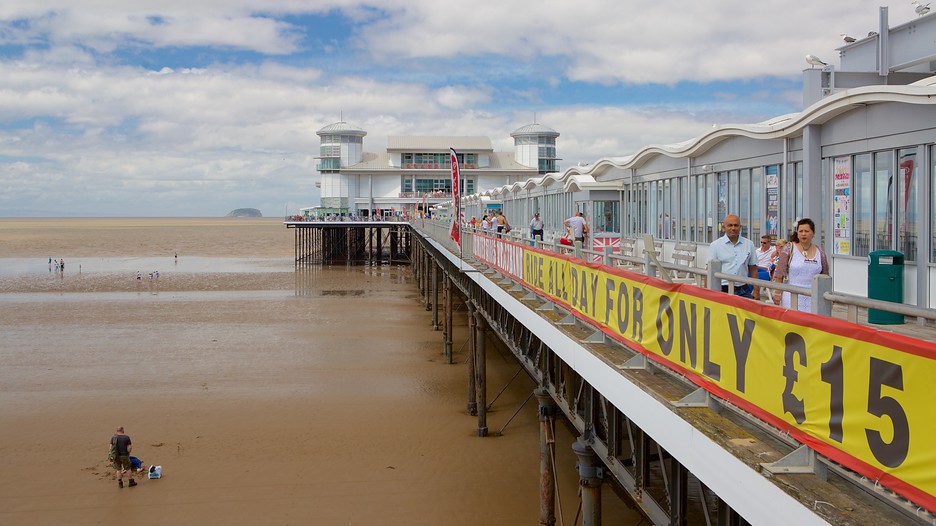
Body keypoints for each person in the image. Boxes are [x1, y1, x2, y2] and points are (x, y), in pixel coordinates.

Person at [772, 218, 829, 312]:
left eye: (806, 231)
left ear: (813, 233)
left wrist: (827, 295)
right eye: (801, 231)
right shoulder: (789, 248)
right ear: (797, 233)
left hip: (813, 296)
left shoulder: (820, 251)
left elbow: (825, 275)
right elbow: (780, 273)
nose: (803, 234)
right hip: (791, 295)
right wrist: (777, 293)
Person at [706, 214, 758, 299]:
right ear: (724, 227)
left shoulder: (749, 244)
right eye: (730, 225)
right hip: (722, 290)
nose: (733, 228)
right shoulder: (715, 245)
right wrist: (707, 293)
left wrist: (756, 291)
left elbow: (753, 269)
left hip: (743, 290)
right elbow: (709, 270)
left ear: (740, 227)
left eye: (736, 225)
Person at [754, 235, 774, 300]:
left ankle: (750, 292)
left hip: (767, 270)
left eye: (764, 243)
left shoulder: (773, 250)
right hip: (757, 268)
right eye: (761, 242)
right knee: (751, 272)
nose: (762, 244)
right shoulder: (757, 251)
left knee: (753, 275)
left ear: (769, 243)